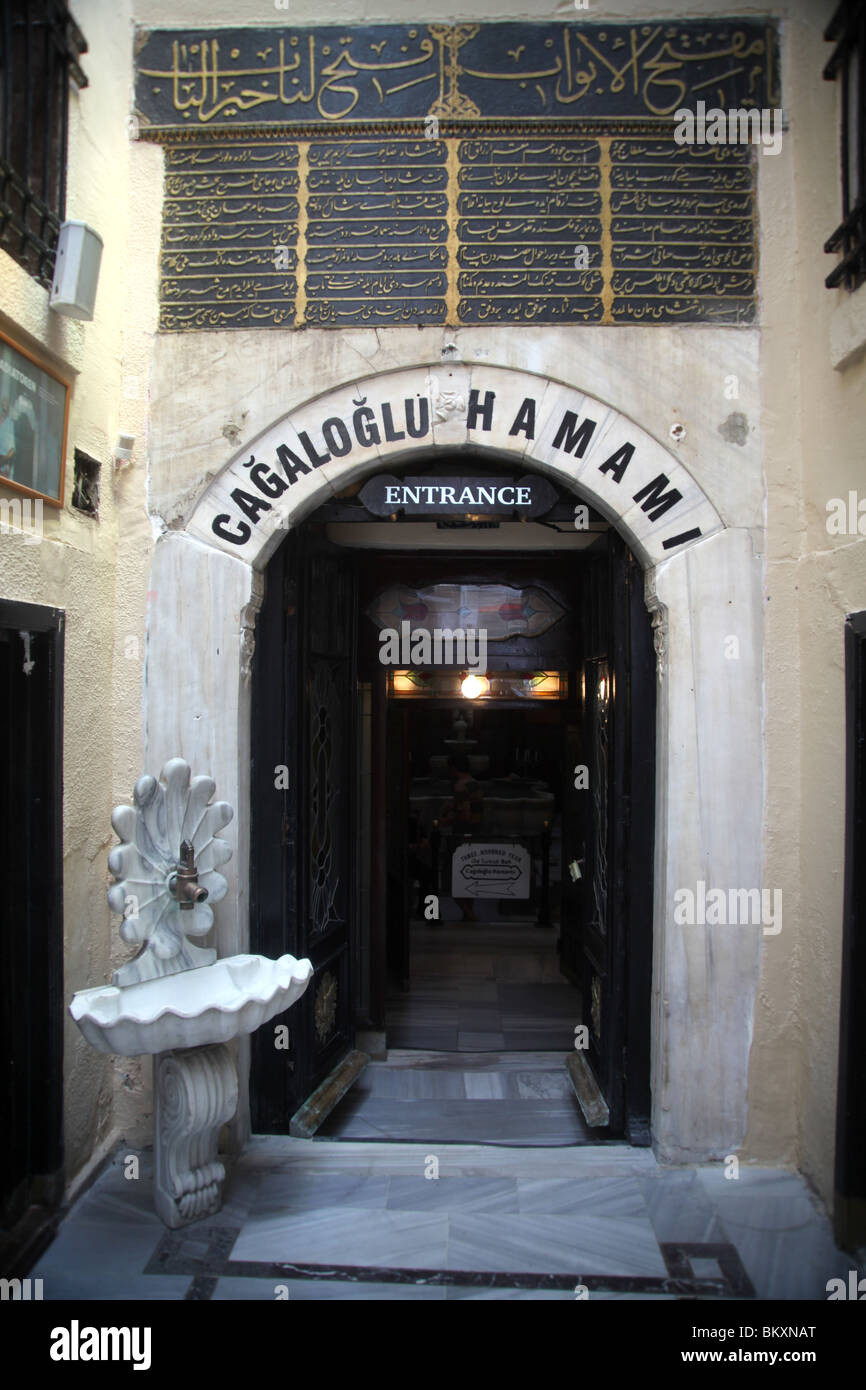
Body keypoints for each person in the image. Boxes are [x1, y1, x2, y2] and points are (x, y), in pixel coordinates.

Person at [0, 398, 16, 480]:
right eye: (3, 405)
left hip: (3, 466)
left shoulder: (10, 423)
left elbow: (12, 450)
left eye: (6, 406)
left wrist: (2, 462)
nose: (4, 408)